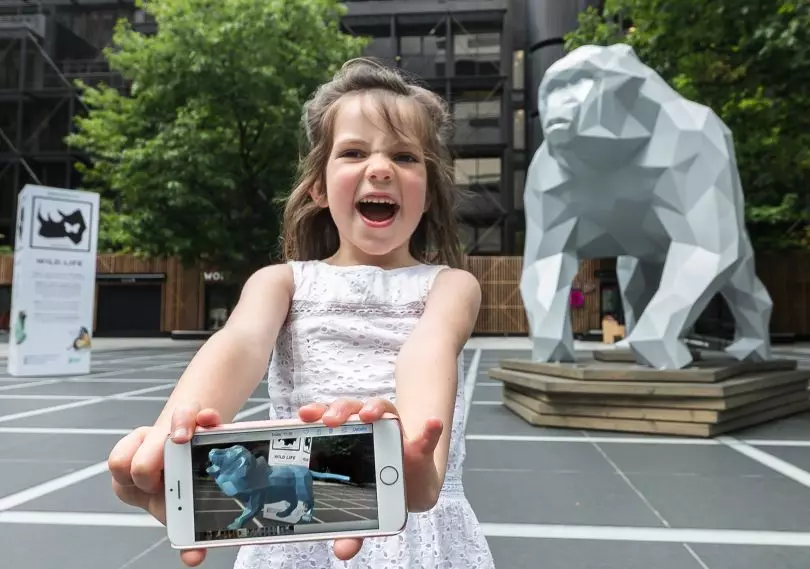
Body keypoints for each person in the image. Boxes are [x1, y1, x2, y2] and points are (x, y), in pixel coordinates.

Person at [107, 57, 496, 569]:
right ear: (317, 187)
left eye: (405, 157)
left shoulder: (451, 285)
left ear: (427, 196)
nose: (380, 168)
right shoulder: (281, 281)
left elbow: (427, 351)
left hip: (422, 525)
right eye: (354, 152)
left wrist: (419, 454)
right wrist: (165, 442)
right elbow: (238, 343)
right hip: (299, 534)